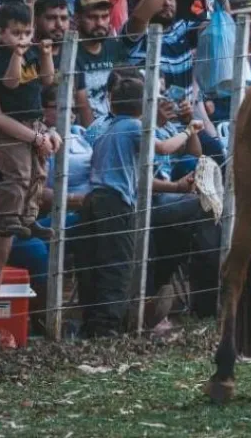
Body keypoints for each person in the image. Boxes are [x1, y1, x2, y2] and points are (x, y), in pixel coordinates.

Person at [77, 75, 203, 337]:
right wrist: (188, 130)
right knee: (118, 264)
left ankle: (92, 321)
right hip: (116, 202)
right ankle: (107, 326)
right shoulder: (134, 127)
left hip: (94, 200)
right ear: (144, 107)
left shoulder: (107, 129)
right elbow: (164, 148)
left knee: (93, 261)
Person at [0, 2, 58, 238]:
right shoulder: (1, 59)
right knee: (18, 173)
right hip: (13, 128)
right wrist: (17, 55)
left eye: (27, 33)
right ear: (3, 33)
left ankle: (29, 217)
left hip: (35, 121)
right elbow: (11, 83)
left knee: (39, 173)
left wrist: (46, 55)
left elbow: (47, 80)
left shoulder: (33, 53)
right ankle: (9, 217)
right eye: (16, 34)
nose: (22, 39)